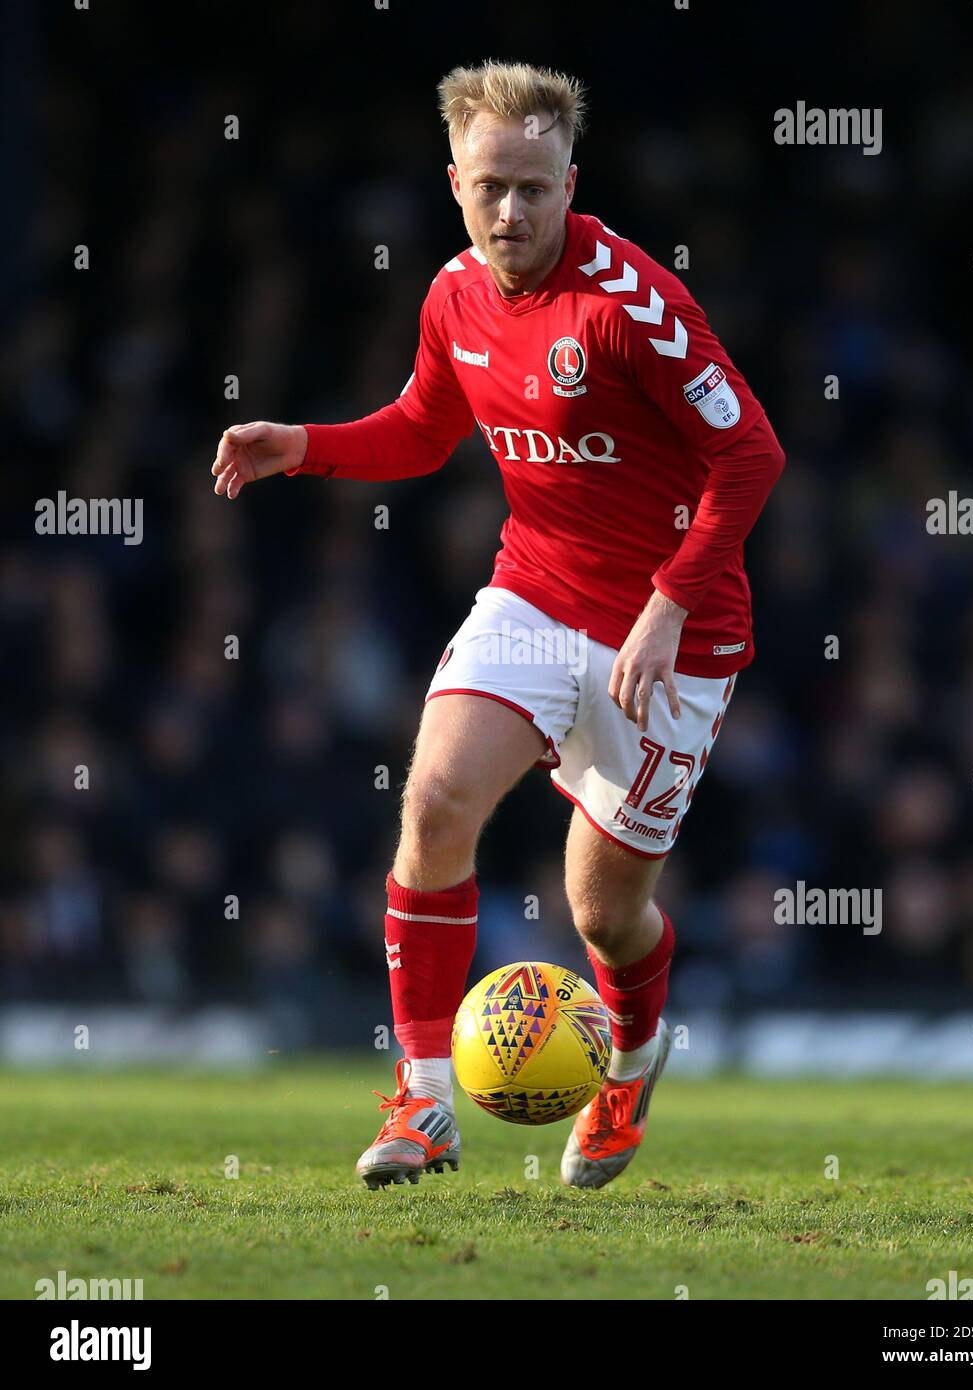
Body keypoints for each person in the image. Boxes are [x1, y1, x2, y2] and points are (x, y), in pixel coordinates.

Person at [211, 59, 785, 1190]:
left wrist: (669, 601)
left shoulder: (632, 305)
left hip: (673, 637)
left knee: (602, 914)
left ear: (572, 179)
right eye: (489, 188)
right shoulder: (453, 293)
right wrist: (308, 444)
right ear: (453, 183)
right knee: (430, 802)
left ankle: (629, 1058)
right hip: (531, 596)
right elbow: (426, 428)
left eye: (533, 186)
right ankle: (423, 1103)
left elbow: (751, 452)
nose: (511, 211)